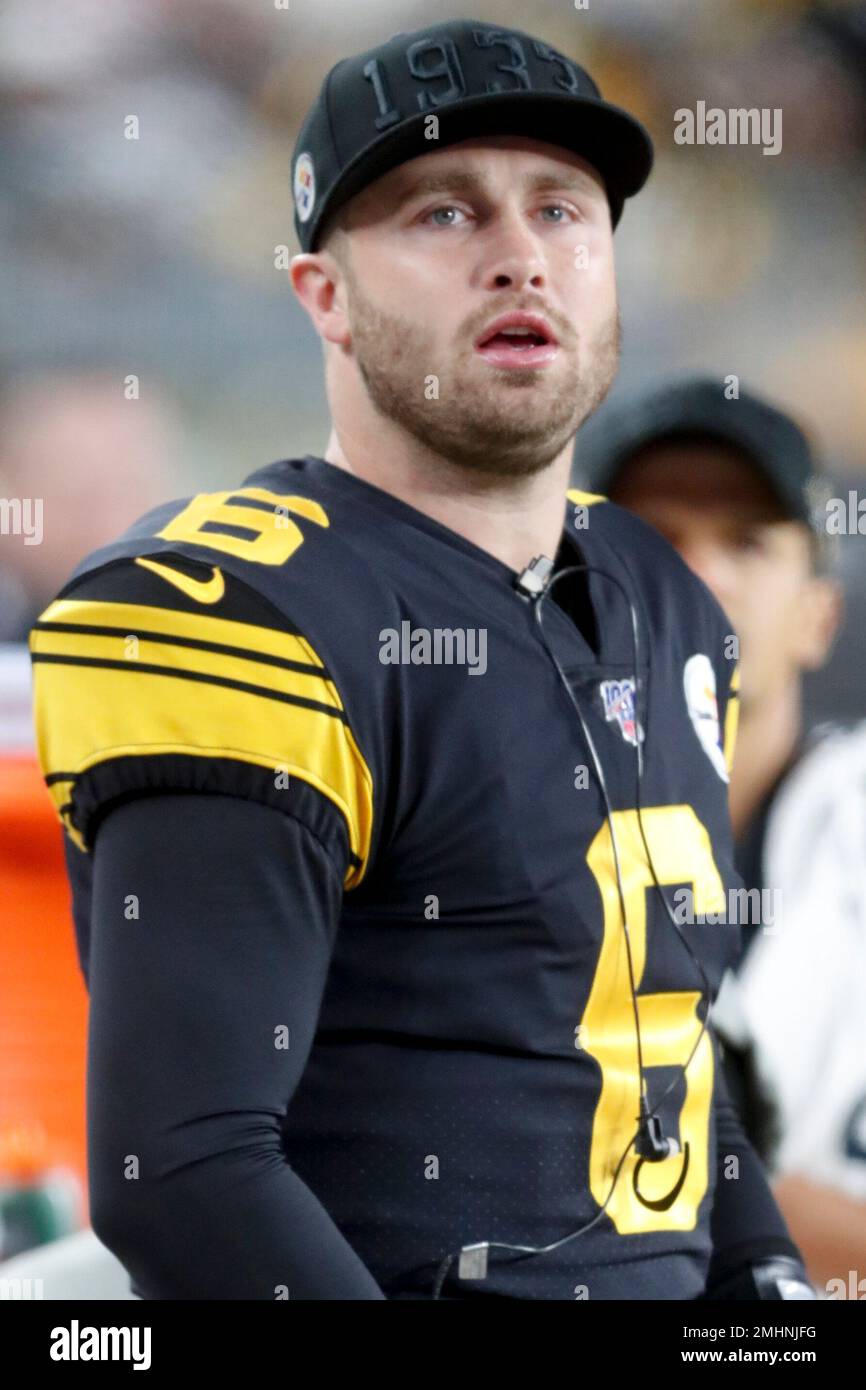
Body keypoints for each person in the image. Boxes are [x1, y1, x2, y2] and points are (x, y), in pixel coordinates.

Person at [29, 21, 813, 1301]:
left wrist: (769, 1290)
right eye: (442, 214)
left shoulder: (660, 595)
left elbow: (655, 1060)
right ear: (322, 295)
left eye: (561, 209)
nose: (519, 255)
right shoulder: (236, 608)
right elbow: (183, 1174)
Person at [575, 377, 866, 1291]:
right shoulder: (471, 819)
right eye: (655, 537)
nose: (700, 575)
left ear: (820, 616)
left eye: (746, 540)